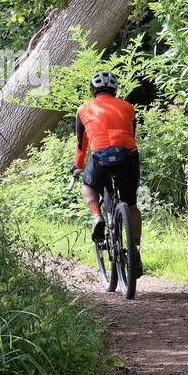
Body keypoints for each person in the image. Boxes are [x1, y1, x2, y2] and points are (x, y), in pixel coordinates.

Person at [72, 71, 141, 262]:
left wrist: (77, 166)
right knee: (132, 204)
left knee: (88, 185)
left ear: (92, 91)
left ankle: (97, 217)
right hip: (128, 156)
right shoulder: (128, 107)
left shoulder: (84, 109)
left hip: (100, 157)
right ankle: (135, 251)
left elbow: (81, 144)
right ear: (115, 90)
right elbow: (131, 134)